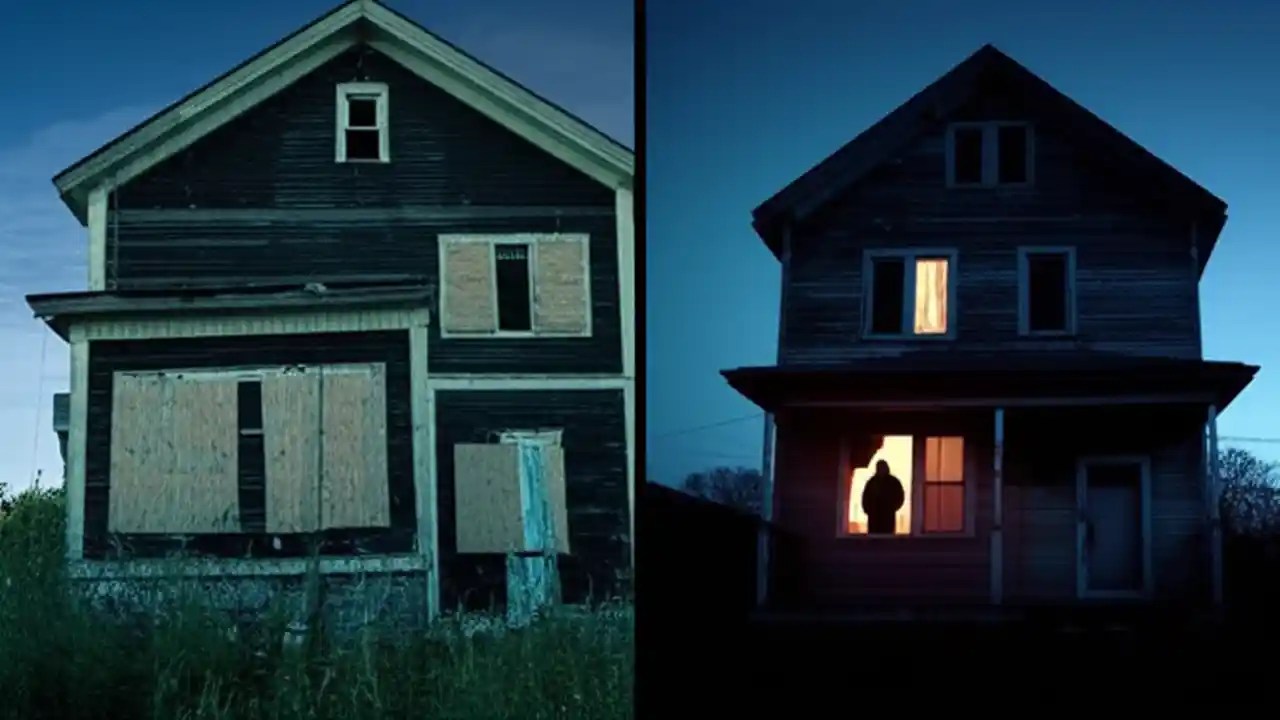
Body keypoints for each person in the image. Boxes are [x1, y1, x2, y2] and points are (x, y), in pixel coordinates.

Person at [862, 460, 904, 535]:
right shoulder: (872, 482)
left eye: (882, 467)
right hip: (874, 516)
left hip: (887, 516)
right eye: (879, 467)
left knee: (887, 536)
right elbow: (865, 497)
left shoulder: (893, 482)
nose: (881, 469)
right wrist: (868, 509)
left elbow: (900, 497)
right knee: (874, 537)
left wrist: (892, 507)